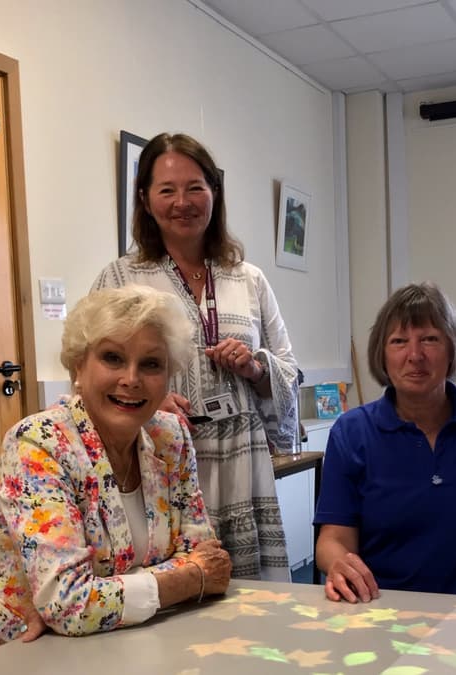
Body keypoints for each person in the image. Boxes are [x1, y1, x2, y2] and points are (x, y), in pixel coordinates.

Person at [0, 285, 231, 656]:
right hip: (26, 655)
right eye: (113, 358)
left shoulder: (171, 435)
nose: (131, 379)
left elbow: (206, 554)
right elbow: (67, 603)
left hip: (137, 647)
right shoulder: (38, 444)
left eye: (151, 364)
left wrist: (103, 593)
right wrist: (188, 578)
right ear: (78, 366)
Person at [92, 132, 300, 581]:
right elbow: (89, 369)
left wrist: (255, 366)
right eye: (167, 190)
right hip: (162, 460)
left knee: (250, 599)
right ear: (146, 200)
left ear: (214, 194)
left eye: (194, 188)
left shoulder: (248, 279)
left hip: (243, 462)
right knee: (179, 589)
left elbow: (289, 368)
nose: (182, 202)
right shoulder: (121, 277)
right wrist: (150, 401)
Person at [313, 283, 456, 603]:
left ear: (452, 349)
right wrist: (340, 563)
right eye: (399, 342)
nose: (415, 355)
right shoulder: (352, 432)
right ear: (382, 354)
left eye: (429, 339)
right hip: (381, 606)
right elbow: (333, 538)